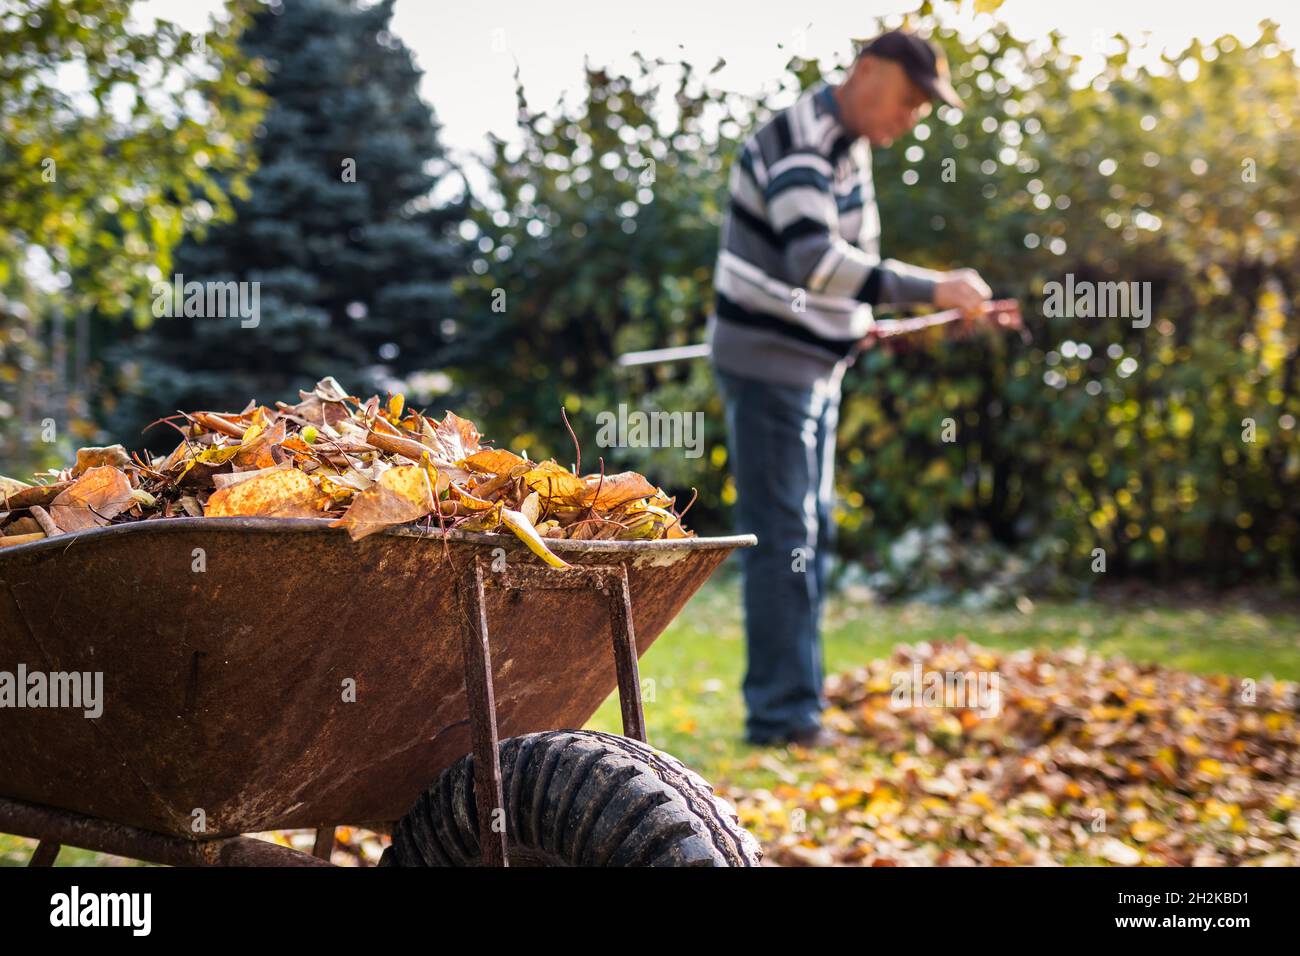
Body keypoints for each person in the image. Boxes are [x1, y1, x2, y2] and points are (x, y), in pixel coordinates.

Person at [708, 29, 993, 747]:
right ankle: (782, 717)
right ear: (866, 71)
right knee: (785, 540)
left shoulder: (845, 142)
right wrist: (935, 287)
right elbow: (813, 260)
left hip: (810, 366)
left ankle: (796, 705)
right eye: (908, 99)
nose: (912, 118)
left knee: (810, 534)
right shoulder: (804, 140)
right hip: (771, 366)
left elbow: (832, 276)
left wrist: (854, 321)